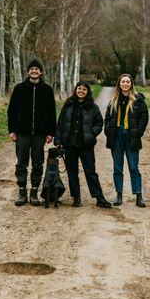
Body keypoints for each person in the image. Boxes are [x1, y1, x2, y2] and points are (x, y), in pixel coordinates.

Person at [54, 81, 112, 209]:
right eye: (79, 88)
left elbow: (99, 123)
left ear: (87, 92)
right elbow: (60, 123)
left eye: (84, 89)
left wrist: (92, 133)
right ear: (76, 90)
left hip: (86, 145)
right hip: (69, 145)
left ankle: (99, 198)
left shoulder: (93, 107)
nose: (81, 91)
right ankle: (76, 198)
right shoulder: (68, 104)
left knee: (90, 171)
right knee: (72, 172)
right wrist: (58, 141)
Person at [7, 59, 56, 207]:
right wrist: (12, 130)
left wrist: (50, 133)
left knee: (37, 163)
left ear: (41, 72)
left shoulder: (47, 89)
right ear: (28, 72)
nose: (34, 71)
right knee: (21, 163)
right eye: (32, 69)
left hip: (40, 134)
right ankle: (22, 192)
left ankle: (34, 192)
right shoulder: (19, 88)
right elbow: (11, 111)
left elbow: (52, 112)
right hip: (22, 133)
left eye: (37, 69)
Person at [104, 74, 149, 207]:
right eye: (122, 81)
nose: (125, 83)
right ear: (119, 84)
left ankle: (138, 195)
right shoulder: (113, 100)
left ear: (131, 84)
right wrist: (108, 131)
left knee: (134, 167)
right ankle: (119, 195)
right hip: (116, 137)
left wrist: (138, 132)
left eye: (127, 81)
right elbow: (107, 118)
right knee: (117, 168)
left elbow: (144, 118)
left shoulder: (138, 100)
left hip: (132, 137)